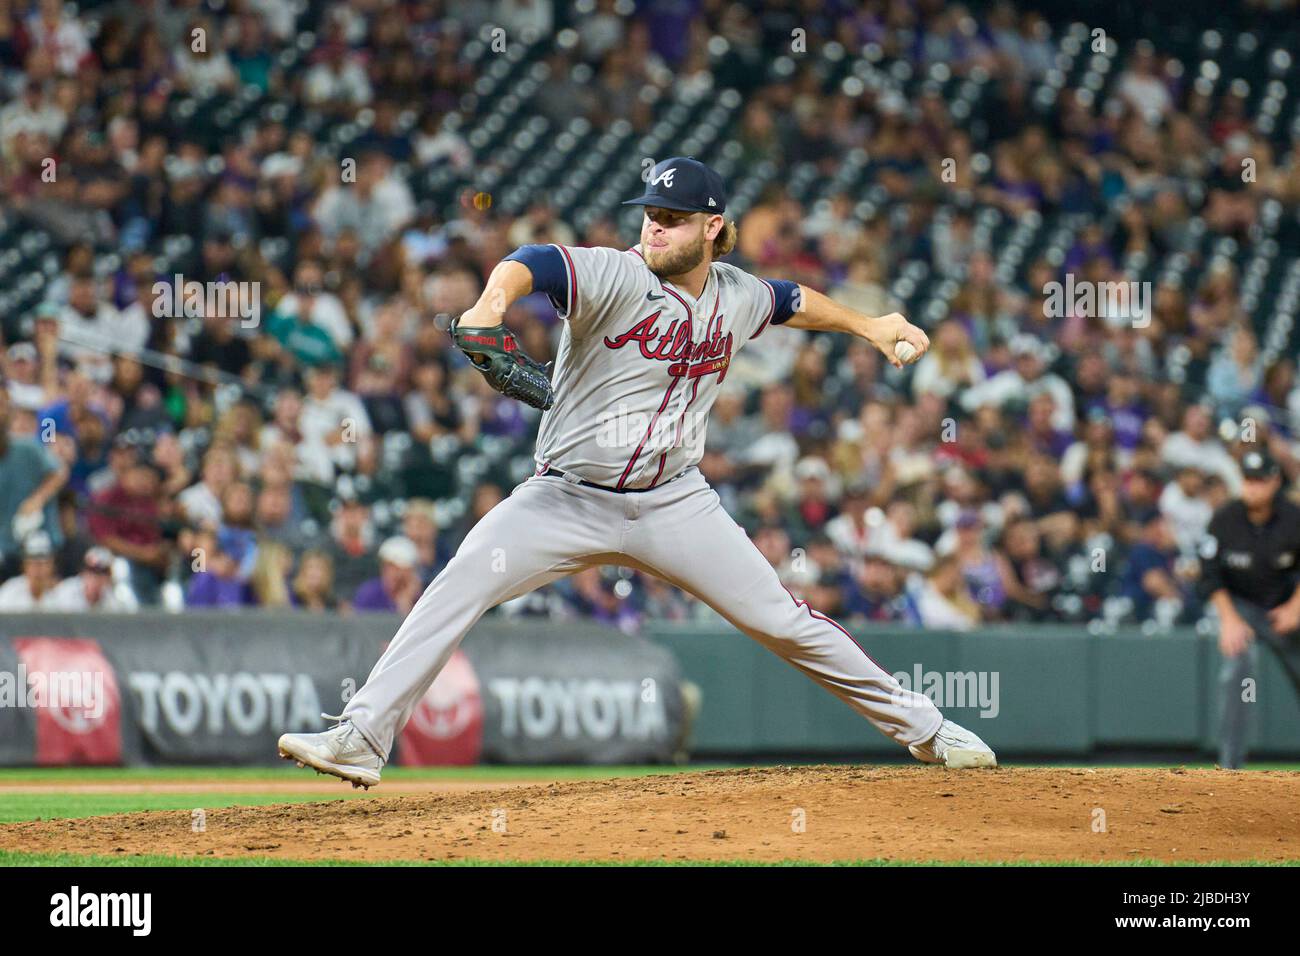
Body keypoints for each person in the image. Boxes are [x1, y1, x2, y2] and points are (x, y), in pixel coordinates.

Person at [278, 156, 996, 788]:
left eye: (673, 219)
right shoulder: (615, 273)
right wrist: (492, 301)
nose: (655, 229)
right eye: (651, 215)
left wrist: (873, 327)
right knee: (459, 582)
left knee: (785, 620)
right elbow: (537, 260)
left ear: (714, 226)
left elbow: (793, 300)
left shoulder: (736, 295)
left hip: (674, 504)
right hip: (565, 498)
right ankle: (362, 737)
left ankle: (930, 731)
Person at [1199, 448, 1300, 769]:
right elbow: (1208, 574)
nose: (1252, 487)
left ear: (1274, 482)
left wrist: (1296, 607)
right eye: (1247, 480)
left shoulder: (1293, 517)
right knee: (1237, 671)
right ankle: (1230, 768)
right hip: (1239, 606)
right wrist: (1229, 619)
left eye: (1259, 480)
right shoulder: (1224, 519)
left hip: (1283, 606)